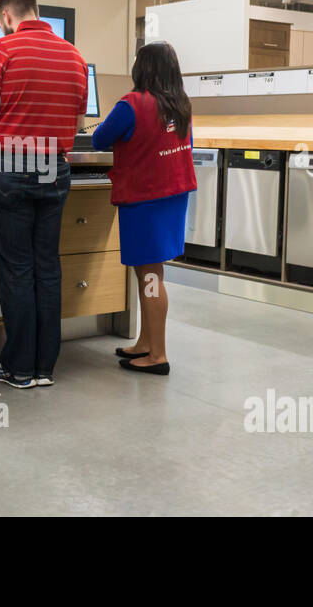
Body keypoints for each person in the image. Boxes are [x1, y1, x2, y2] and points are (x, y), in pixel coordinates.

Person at [0, 0, 88, 389]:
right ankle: (43, 368)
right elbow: (74, 126)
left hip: (8, 168)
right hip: (54, 169)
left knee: (17, 269)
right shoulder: (73, 55)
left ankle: (18, 368)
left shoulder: (0, 50)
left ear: (5, 14)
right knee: (47, 267)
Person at [92, 41, 196, 376]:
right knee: (150, 271)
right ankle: (145, 342)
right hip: (173, 195)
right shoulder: (180, 106)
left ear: (142, 68)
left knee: (150, 274)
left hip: (145, 197)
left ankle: (158, 355)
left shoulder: (132, 104)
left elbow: (98, 139)